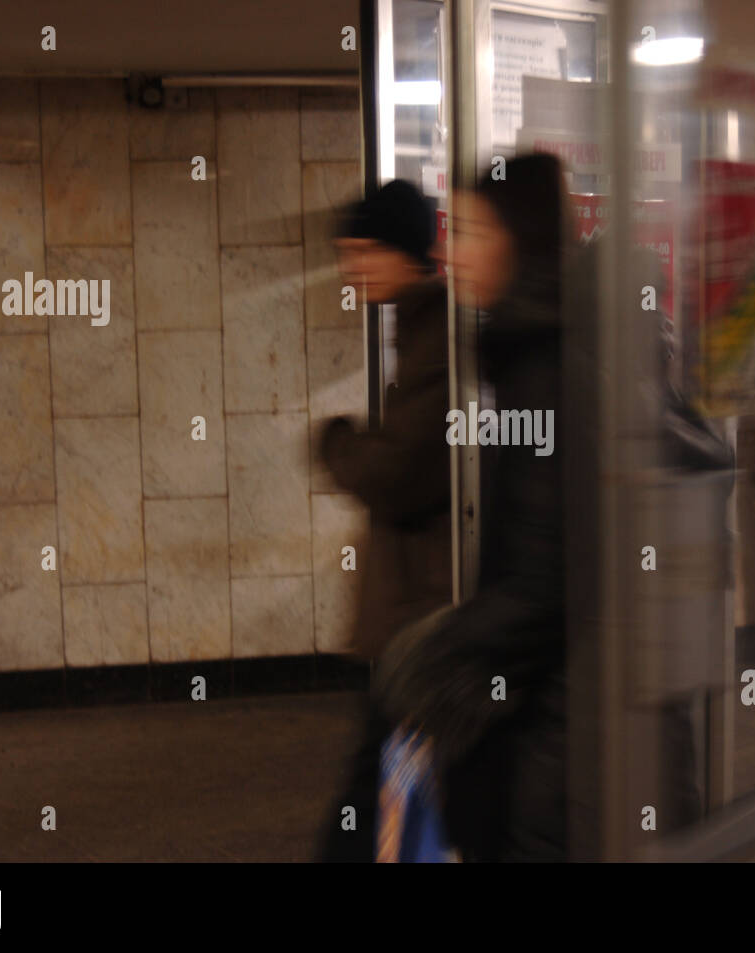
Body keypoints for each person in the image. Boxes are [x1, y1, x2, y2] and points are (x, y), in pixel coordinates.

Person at [371, 154, 572, 861]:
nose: (447, 251)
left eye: (469, 231)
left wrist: (439, 653)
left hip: (556, 714)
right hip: (539, 694)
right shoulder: (527, 351)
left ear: (517, 238)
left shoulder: (545, 364)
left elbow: (545, 578)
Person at [315, 179, 452, 861]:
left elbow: (397, 473)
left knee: (371, 793)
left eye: (364, 249)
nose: (352, 266)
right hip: (413, 613)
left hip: (419, 617)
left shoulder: (438, 336)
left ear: (407, 250)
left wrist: (336, 443)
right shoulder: (421, 327)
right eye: (347, 251)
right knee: (381, 788)